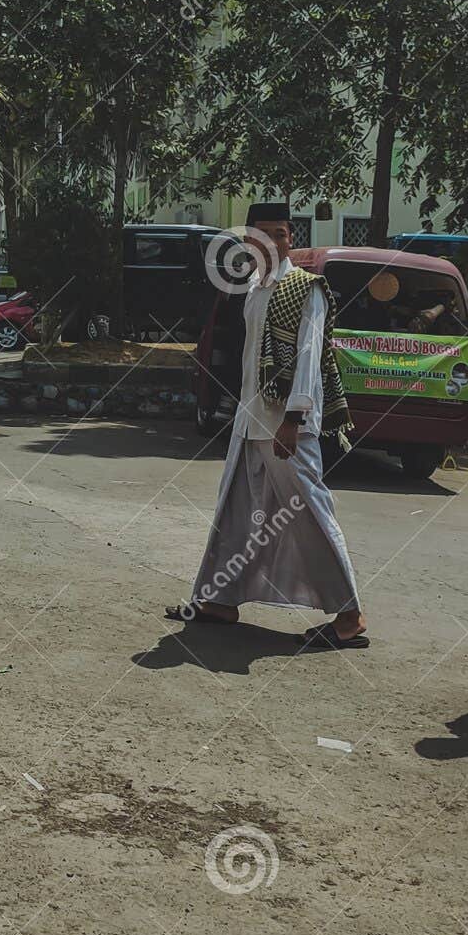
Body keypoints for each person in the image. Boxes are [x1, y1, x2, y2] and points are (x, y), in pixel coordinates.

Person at [165, 202, 367, 650]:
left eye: (282, 233)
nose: (274, 242)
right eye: (264, 235)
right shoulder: (255, 287)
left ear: (290, 239)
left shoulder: (305, 287)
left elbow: (311, 357)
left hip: (287, 426)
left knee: (311, 514)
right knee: (233, 512)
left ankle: (350, 616)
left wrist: (294, 419)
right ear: (249, 242)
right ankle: (219, 598)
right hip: (250, 421)